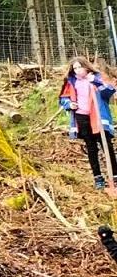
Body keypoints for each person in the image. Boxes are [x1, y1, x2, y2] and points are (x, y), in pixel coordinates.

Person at [58, 57, 115, 192]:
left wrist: (94, 81)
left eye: (79, 67)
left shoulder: (97, 77)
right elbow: (63, 98)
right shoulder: (71, 81)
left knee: (107, 145)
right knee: (91, 148)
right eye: (75, 68)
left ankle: (115, 176)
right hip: (82, 116)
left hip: (98, 117)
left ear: (86, 66)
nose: (78, 70)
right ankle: (98, 178)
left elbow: (109, 92)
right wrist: (69, 104)